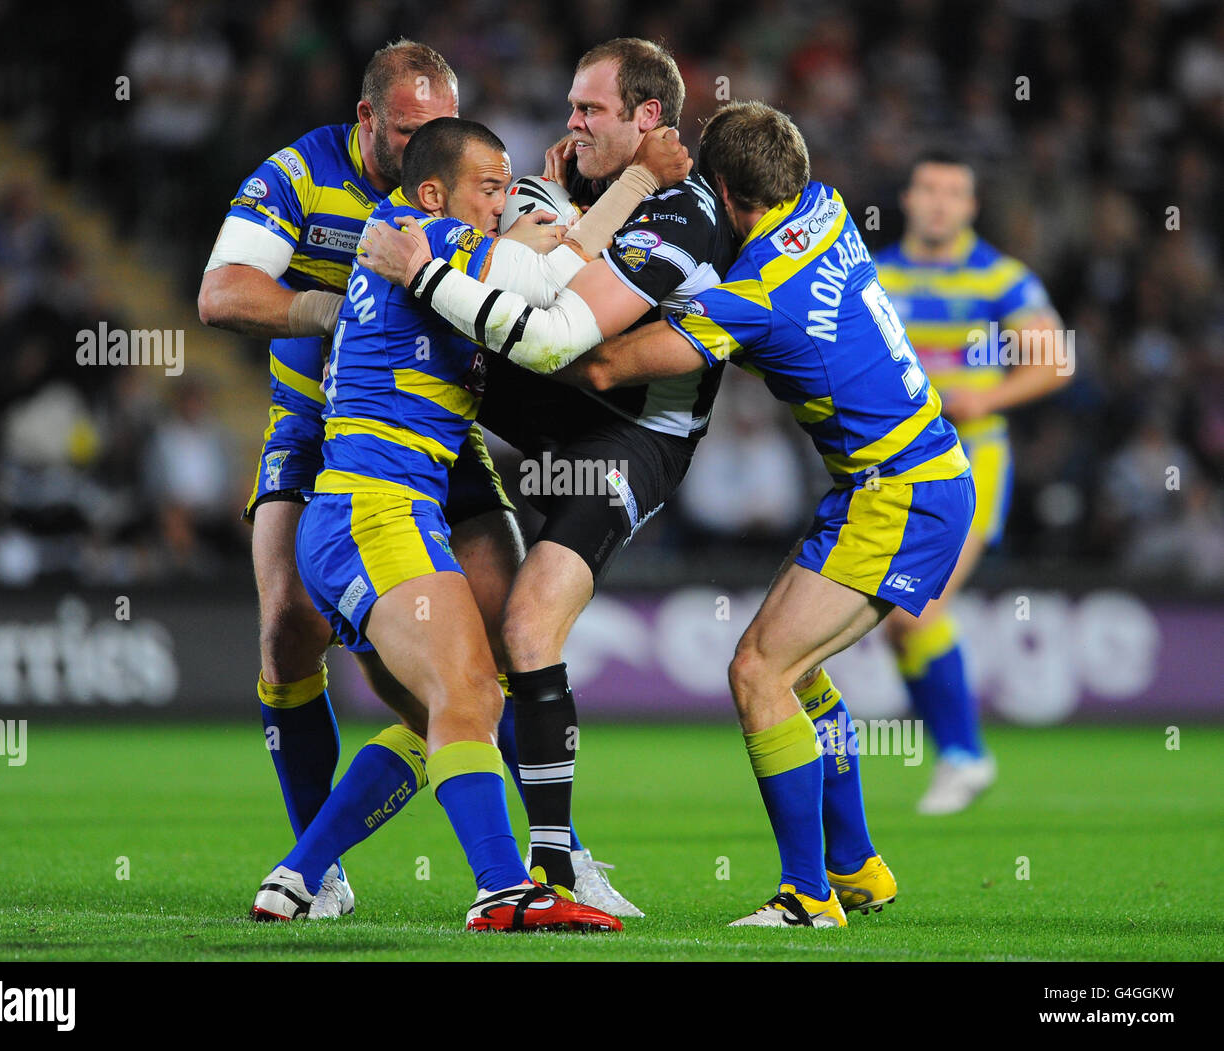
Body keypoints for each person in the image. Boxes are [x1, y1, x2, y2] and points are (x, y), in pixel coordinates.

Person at [370, 101, 972, 926]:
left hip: (899, 492)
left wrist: (450, 282)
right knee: (800, 673)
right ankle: (856, 864)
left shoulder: (754, 293)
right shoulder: (826, 210)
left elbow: (604, 364)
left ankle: (807, 897)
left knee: (759, 671)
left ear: (723, 191)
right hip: (906, 475)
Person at [250, 115, 683, 930]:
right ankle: (503, 888)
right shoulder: (429, 233)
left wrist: (544, 212)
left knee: (438, 715)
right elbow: (555, 278)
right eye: (491, 188)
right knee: (475, 690)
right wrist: (637, 183)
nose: (500, 204)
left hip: (359, 513)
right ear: (434, 191)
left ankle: (299, 875)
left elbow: (535, 266)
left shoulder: (423, 244)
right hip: (379, 512)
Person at [364, 38, 734, 903]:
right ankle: (318, 868)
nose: (568, 123)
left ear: (648, 120)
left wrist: (423, 272)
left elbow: (560, 336)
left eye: (589, 109)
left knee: (528, 629)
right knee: (472, 671)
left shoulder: (680, 212)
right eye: (571, 106)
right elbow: (530, 267)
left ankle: (560, 862)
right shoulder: (560, 188)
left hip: (630, 433)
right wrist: (557, 211)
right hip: (540, 415)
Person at [198, 40, 523, 918]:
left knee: (503, 642)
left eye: (438, 128)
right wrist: (346, 310)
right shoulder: (302, 174)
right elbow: (222, 294)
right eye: (408, 128)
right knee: (289, 630)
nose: (425, 142)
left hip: (434, 436)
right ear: (366, 120)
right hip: (321, 433)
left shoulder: (460, 196)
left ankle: (555, 852)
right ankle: (326, 870)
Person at [874, 152, 1069, 814]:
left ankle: (964, 754)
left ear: (970, 207)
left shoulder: (998, 277)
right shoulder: (875, 274)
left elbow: (1053, 361)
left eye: (952, 192)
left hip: (971, 462)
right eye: (928, 187)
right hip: (891, 469)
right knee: (897, 624)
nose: (938, 201)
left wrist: (987, 399)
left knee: (913, 609)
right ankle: (961, 753)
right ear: (907, 196)